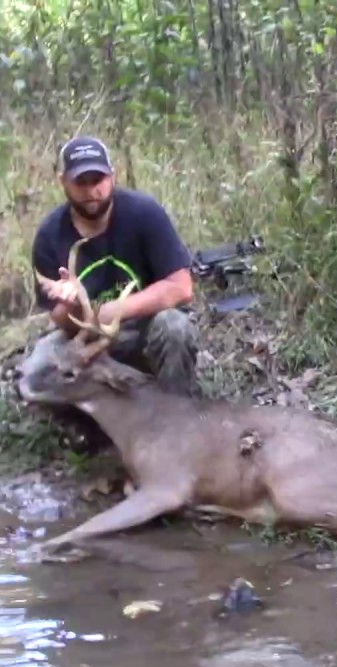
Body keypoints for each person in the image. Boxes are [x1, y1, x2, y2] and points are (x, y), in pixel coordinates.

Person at [30, 136, 203, 447]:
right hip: (89, 337)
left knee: (175, 327)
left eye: (98, 179)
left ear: (112, 175)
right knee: (37, 370)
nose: (92, 190)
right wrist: (70, 304)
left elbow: (181, 287)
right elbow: (61, 320)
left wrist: (117, 310)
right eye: (81, 182)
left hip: (143, 329)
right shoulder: (51, 234)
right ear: (63, 182)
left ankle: (178, 430)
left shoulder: (143, 213)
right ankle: (91, 430)